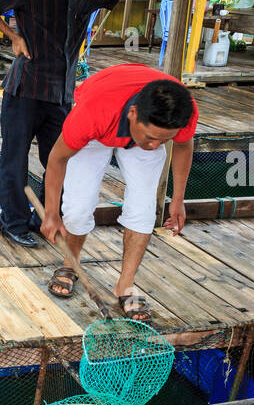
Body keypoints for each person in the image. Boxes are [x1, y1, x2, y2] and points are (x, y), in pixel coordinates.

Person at [0, 0, 189, 247]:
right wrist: (12, 36)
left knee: (58, 161)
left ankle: (45, 216)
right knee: (13, 160)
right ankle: (13, 223)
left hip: (62, 93)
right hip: (25, 88)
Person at [37, 64, 198, 321]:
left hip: (128, 118)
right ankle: (71, 265)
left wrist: (178, 201)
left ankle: (125, 285)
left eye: (163, 140)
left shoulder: (182, 111)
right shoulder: (92, 113)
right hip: (100, 122)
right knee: (77, 208)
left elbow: (182, 146)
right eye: (151, 137)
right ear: (133, 113)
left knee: (144, 210)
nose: (155, 146)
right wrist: (51, 213)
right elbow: (57, 159)